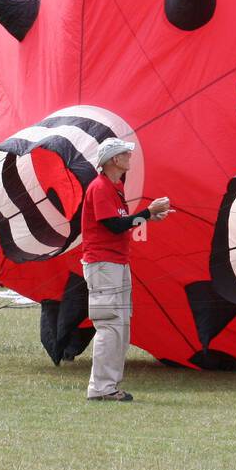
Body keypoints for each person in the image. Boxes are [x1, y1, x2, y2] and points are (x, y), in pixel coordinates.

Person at [81, 138, 171, 401]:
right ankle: (101, 388)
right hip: (104, 263)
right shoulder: (100, 187)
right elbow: (114, 225)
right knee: (110, 325)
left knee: (119, 326)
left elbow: (120, 222)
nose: (129, 156)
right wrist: (146, 212)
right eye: (124, 154)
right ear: (113, 160)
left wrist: (148, 216)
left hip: (115, 263)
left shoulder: (114, 186)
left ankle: (108, 386)